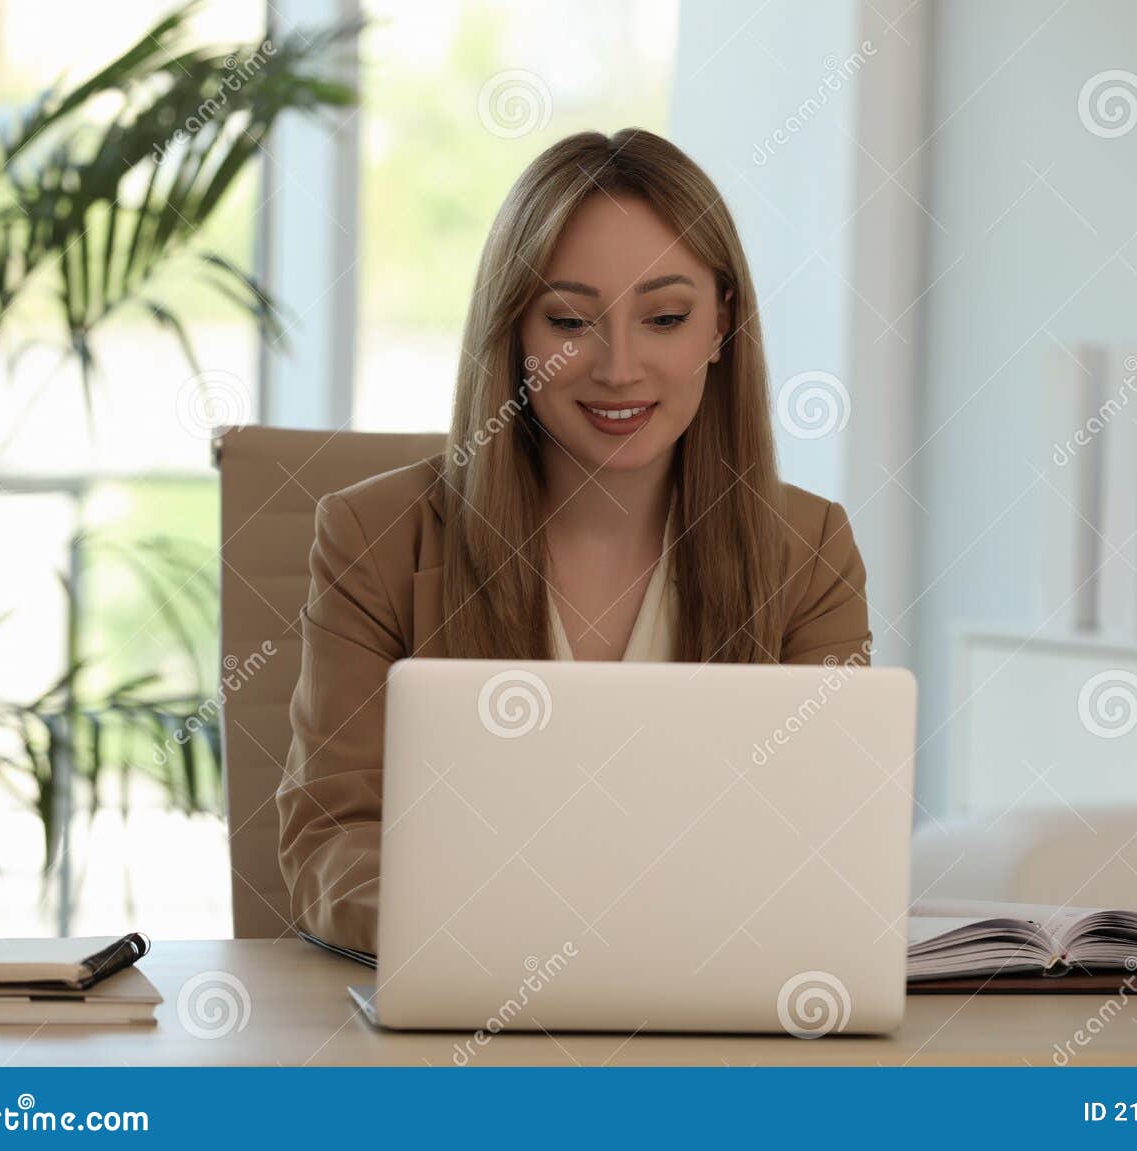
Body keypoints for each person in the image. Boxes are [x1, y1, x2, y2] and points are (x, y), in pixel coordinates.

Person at [278, 127, 872, 953]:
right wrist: (496, 935)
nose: (618, 367)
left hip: (714, 1006)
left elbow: (830, 843)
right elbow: (331, 841)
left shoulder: (809, 552)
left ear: (720, 326)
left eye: (665, 317)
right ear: (513, 331)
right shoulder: (373, 538)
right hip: (468, 1005)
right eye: (568, 320)